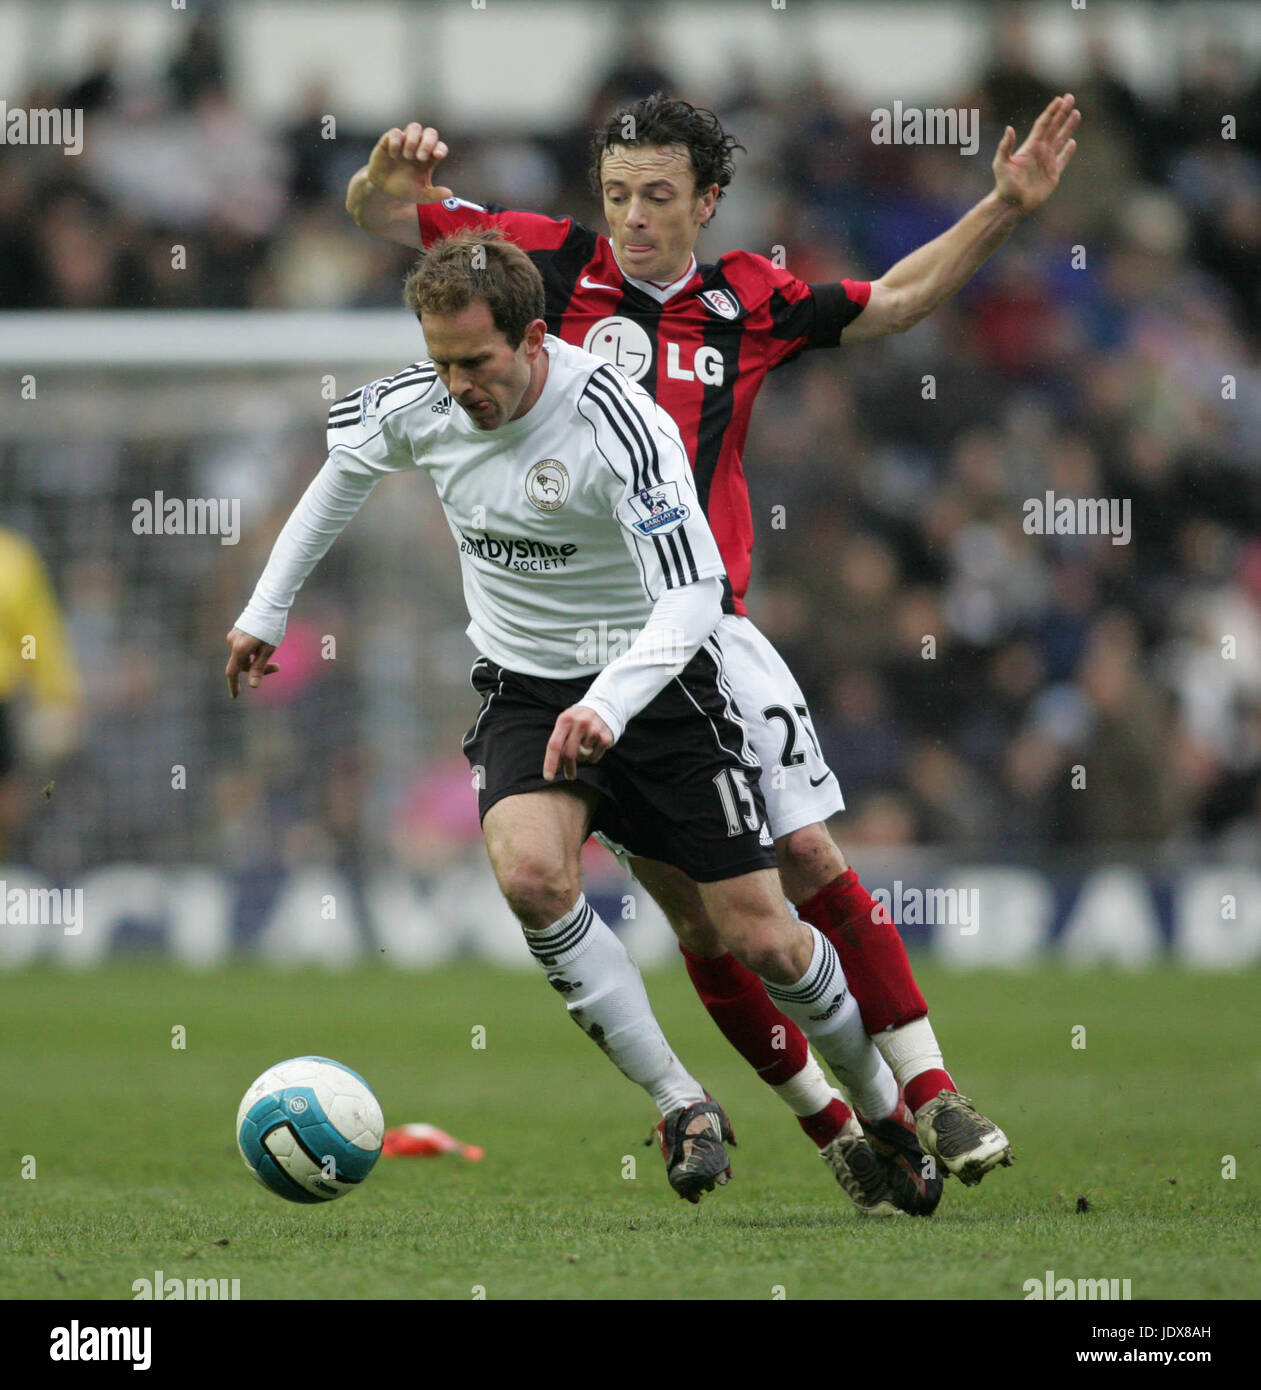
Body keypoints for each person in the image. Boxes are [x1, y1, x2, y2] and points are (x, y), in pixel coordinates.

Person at [343, 91, 1080, 1188]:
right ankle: (838, 1129)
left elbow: (895, 301)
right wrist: (379, 173)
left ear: (709, 200)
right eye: (617, 195)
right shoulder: (542, 263)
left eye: (657, 197)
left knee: (807, 857)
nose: (633, 218)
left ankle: (933, 1095)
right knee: (701, 918)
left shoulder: (748, 300)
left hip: (706, 632)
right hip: (578, 652)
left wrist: (1003, 208)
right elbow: (381, 215)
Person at [225, 230, 939, 1216]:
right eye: (439, 360)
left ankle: (881, 1108)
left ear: (532, 338)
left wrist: (608, 703)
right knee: (528, 873)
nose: (456, 384)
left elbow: (694, 596)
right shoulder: (420, 402)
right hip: (526, 689)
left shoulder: (616, 419)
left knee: (761, 939)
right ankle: (679, 1101)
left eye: (474, 362)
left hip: (660, 688)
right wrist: (268, 608)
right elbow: (341, 469)